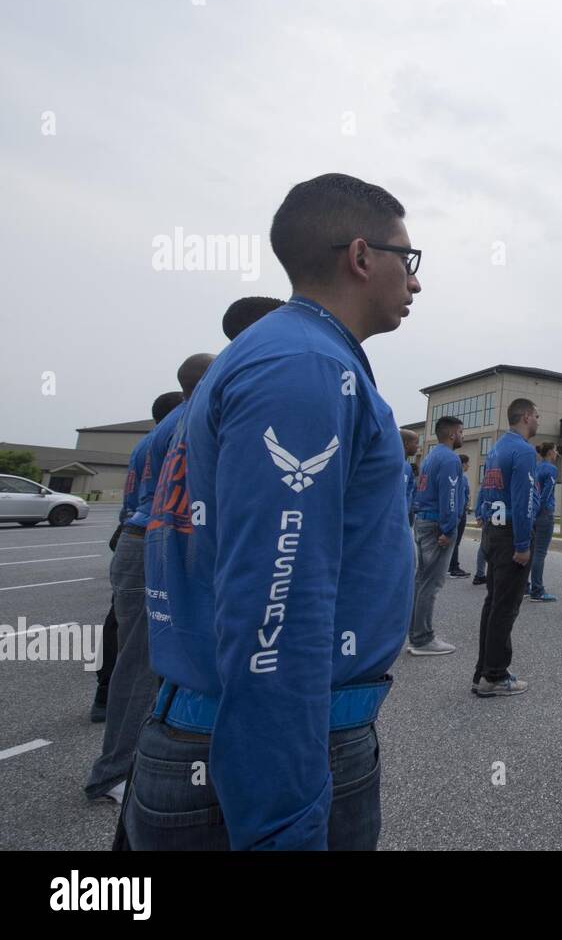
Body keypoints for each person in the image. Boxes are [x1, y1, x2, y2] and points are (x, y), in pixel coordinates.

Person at [123, 172, 421, 850]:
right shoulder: (305, 368)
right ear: (362, 256)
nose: (416, 280)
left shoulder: (283, 355)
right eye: (409, 258)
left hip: (217, 729)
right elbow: (274, 610)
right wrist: (283, 826)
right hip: (276, 747)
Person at [85, 355, 212, 804]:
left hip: (140, 539)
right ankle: (112, 772)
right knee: (141, 663)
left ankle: (147, 758)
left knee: (147, 661)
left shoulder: (163, 427)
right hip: (153, 542)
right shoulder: (190, 418)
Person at [88, 389, 183, 726]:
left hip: (134, 531)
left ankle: (106, 694)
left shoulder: (149, 440)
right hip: (156, 536)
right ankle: (130, 749)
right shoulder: (183, 427)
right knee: (144, 646)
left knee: (124, 629)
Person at [472, 398, 539, 697]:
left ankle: (483, 670)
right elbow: (524, 500)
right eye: (536, 416)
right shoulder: (523, 451)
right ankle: (494, 675)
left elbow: (486, 487)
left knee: (493, 605)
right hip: (511, 533)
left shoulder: (498, 447)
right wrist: (523, 545)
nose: (538, 421)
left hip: (493, 531)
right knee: (505, 608)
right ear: (525, 417)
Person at [408, 416, 464, 656]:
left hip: (423, 522)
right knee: (431, 583)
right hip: (436, 526)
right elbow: (449, 495)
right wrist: (449, 528)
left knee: (421, 581)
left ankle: (416, 633)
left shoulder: (431, 456)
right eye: (461, 432)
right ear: (452, 434)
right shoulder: (450, 459)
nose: (463, 435)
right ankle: (422, 638)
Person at [528, 443, 559, 601]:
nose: (557, 452)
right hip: (545, 513)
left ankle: (526, 586)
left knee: (531, 551)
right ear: (549, 452)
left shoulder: (536, 467)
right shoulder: (552, 469)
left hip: (533, 513)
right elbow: (546, 493)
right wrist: (541, 509)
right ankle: (537, 590)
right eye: (555, 450)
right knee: (540, 553)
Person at [447, 454, 472, 577]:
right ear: (462, 464)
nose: (469, 466)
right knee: (455, 541)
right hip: (459, 513)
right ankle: (453, 567)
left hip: (457, 511)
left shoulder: (461, 478)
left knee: (454, 540)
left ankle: (450, 565)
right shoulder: (461, 477)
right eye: (467, 463)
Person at [400, 429, 420, 528]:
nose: (418, 446)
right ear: (406, 444)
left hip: (404, 517)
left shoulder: (408, 467)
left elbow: (411, 490)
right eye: (416, 443)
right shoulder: (389, 464)